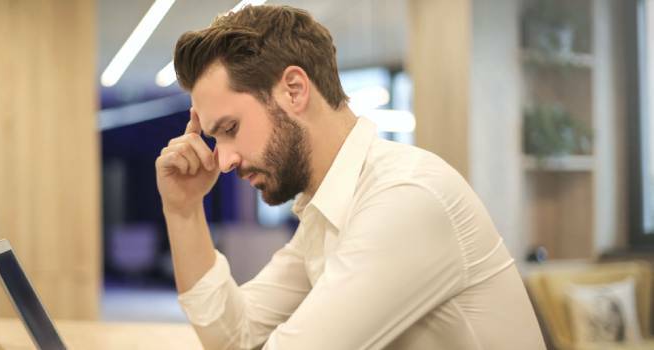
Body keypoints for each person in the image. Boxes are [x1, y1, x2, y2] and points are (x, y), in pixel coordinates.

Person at [155, 4, 545, 349]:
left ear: (293, 90)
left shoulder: (404, 198)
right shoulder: (327, 214)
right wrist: (184, 209)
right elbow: (234, 337)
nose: (223, 161)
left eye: (231, 128)